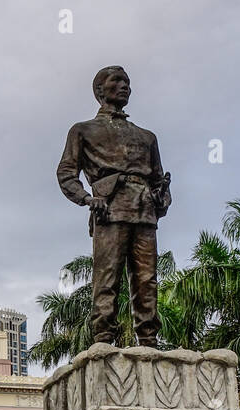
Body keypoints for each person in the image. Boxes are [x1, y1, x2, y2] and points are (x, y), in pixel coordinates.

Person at [57, 65, 171, 347]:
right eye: (116, 81)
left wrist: (162, 197)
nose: (124, 86)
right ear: (99, 91)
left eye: (127, 82)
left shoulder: (147, 137)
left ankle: (148, 339)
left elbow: (158, 180)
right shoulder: (84, 130)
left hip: (144, 211)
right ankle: (103, 337)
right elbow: (66, 174)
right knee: (107, 277)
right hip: (109, 208)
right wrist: (86, 198)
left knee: (147, 280)